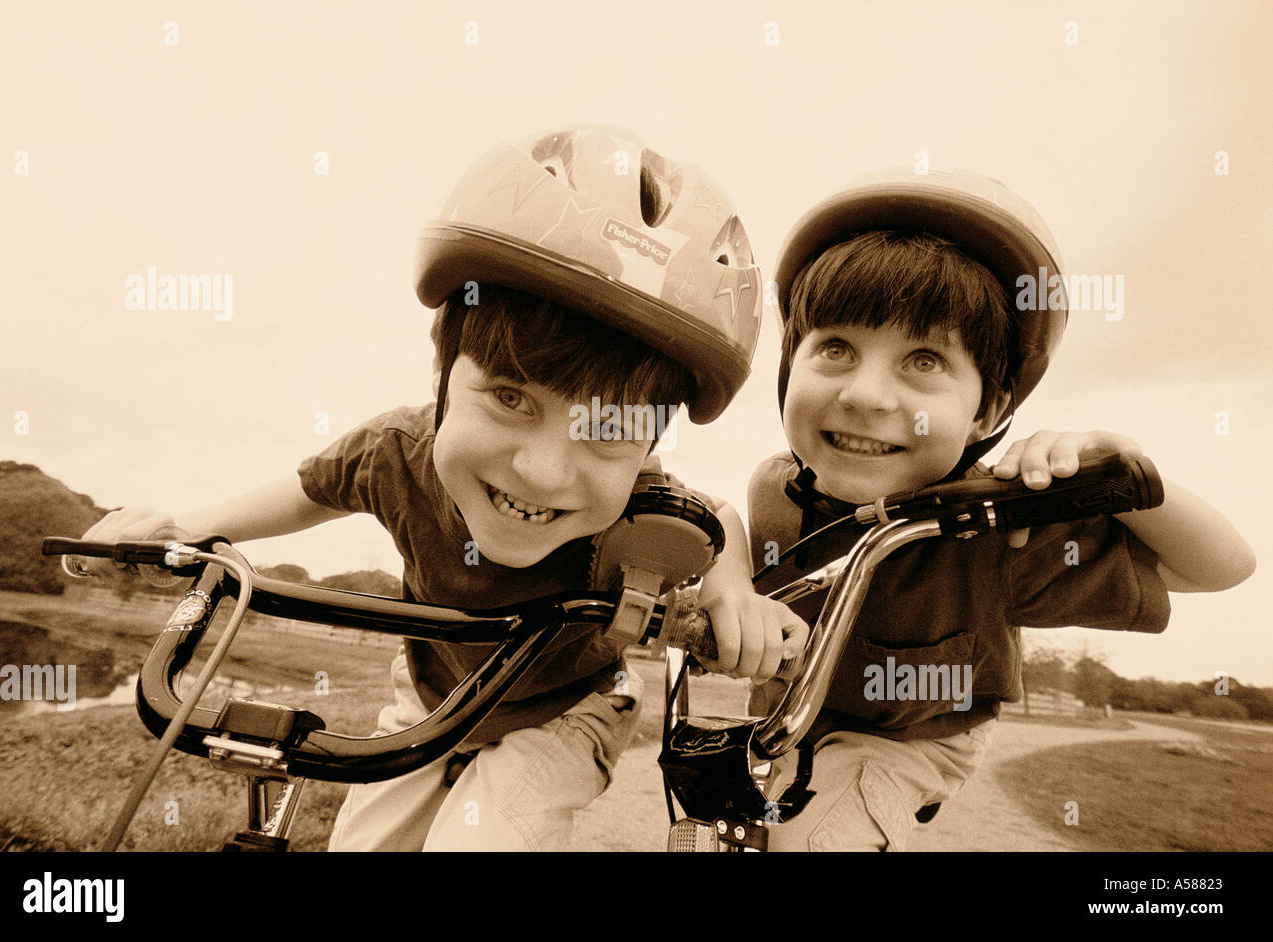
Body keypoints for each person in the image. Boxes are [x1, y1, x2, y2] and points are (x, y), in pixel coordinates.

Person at [78, 124, 806, 851]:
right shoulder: (397, 453)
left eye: (608, 430)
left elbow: (711, 517)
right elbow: (308, 491)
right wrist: (185, 528)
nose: (545, 471)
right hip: (427, 692)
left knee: (486, 839)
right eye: (511, 398)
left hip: (567, 706)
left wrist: (731, 590)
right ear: (441, 378)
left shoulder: (640, 503)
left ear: (648, 448)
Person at [749, 167, 1256, 851]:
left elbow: (1221, 568)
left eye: (924, 360)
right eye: (835, 348)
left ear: (988, 410)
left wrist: (1122, 472)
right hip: (780, 723)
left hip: (911, 742)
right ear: (789, 369)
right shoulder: (770, 494)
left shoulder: (1001, 530)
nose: (866, 394)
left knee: (811, 842)